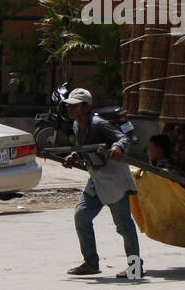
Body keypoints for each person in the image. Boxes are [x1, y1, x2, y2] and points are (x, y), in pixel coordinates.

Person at [61, 88, 142, 279]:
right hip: (96, 179)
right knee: (81, 216)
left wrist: (117, 147)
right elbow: (83, 150)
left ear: (86, 107)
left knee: (123, 225)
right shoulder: (76, 125)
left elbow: (123, 138)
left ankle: (136, 267)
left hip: (113, 178)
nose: (70, 108)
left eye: (75, 105)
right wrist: (73, 156)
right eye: (69, 105)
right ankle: (91, 263)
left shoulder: (98, 124)